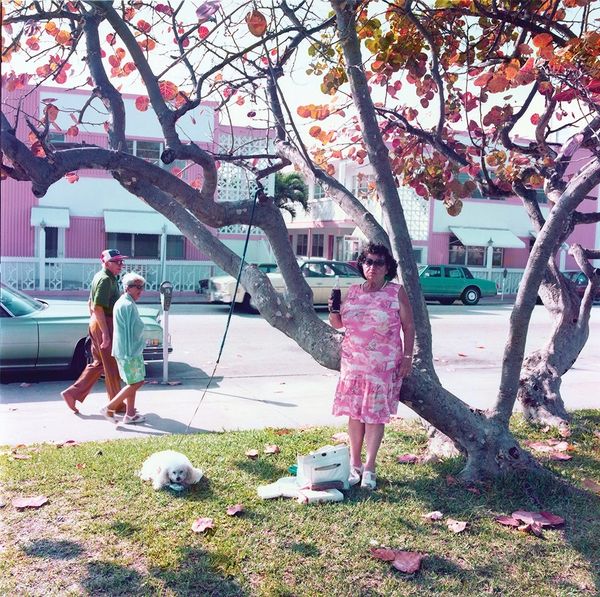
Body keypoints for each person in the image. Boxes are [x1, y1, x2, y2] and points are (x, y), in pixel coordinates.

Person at [328, 242, 415, 490]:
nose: (372, 267)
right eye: (368, 262)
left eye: (378, 263)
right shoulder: (354, 291)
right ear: (361, 265)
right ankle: (354, 464)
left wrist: (408, 358)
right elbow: (338, 324)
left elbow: (409, 326)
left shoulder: (395, 291)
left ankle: (370, 466)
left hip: (382, 366)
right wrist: (333, 312)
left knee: (375, 416)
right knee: (355, 414)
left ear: (387, 267)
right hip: (353, 364)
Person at [61, 249, 126, 414]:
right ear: (105, 262)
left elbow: (90, 302)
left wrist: (95, 323)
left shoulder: (105, 277)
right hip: (105, 323)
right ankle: (116, 404)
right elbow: (97, 306)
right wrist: (104, 332)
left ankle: (72, 393)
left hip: (99, 322)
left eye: (121, 261)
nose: (120, 264)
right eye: (116, 261)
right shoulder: (105, 280)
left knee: (98, 364)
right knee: (111, 366)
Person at [101, 272, 147, 424]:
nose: (140, 290)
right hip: (129, 351)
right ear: (127, 288)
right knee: (137, 383)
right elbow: (132, 330)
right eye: (137, 287)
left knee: (132, 382)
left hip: (125, 350)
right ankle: (109, 408)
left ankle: (130, 414)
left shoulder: (124, 302)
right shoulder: (127, 305)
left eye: (142, 287)